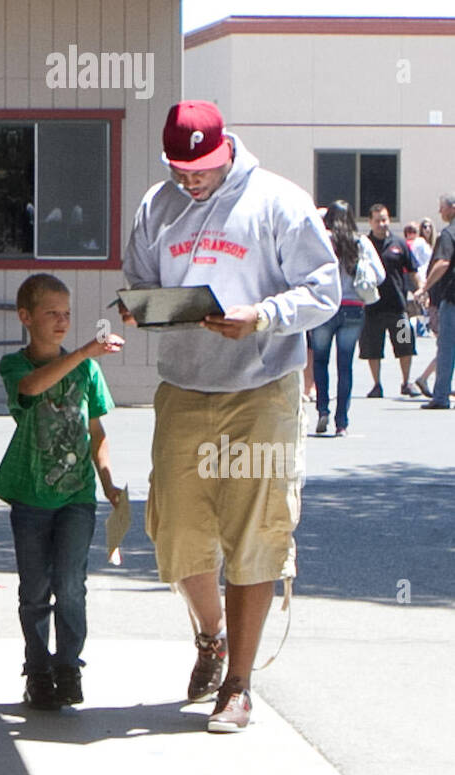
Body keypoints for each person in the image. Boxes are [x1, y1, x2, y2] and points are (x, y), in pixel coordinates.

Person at [122, 101, 339, 732]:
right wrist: (142, 307)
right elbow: (137, 278)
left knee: (255, 533)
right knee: (176, 532)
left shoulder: (279, 201)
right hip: (185, 385)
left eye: (204, 169)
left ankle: (239, 686)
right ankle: (211, 636)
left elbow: (325, 290)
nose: (192, 181)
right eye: (181, 170)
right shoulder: (156, 206)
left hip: (262, 387)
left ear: (229, 151)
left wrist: (263, 315)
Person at [0, 274, 122, 710]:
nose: (63, 322)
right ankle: (37, 670)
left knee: (70, 583)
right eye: (52, 314)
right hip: (30, 496)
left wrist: (108, 482)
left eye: (67, 314)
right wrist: (86, 351)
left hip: (77, 495)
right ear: (26, 317)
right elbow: (30, 389)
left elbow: (96, 429)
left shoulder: (89, 368)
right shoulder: (15, 365)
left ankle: (68, 666)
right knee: (34, 589)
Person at [308, 200, 382, 435]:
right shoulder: (361, 242)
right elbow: (379, 275)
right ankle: (342, 422)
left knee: (320, 361)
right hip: (353, 308)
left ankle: (322, 411)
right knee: (345, 366)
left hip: (325, 307)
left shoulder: (321, 239)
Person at [361, 204, 421, 398]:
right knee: (372, 349)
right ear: (370, 222)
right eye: (378, 220)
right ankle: (376, 384)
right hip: (372, 308)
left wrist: (421, 289)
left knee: (405, 344)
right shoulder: (364, 245)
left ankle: (406, 382)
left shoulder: (399, 244)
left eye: (385, 219)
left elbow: (412, 271)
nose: (382, 224)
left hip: (398, 306)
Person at [419, 193, 455, 410]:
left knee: (446, 347)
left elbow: (442, 262)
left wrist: (425, 286)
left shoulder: (448, 234)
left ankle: (441, 395)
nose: (439, 212)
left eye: (442, 208)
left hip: (452, 299)